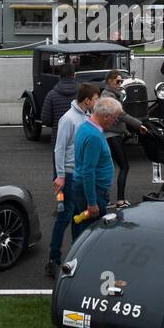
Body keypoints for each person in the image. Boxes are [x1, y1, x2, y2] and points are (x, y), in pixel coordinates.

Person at [47, 82, 100, 276]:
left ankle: (76, 257)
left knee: (80, 215)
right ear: (87, 100)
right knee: (64, 216)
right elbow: (59, 149)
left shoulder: (87, 117)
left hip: (78, 175)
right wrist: (60, 176)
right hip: (68, 176)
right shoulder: (68, 119)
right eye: (96, 98)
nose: (98, 101)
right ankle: (53, 259)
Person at [70, 95, 119, 234]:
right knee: (92, 234)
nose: (115, 121)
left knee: (81, 231)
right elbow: (88, 171)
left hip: (83, 188)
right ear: (106, 116)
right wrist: (92, 203)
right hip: (93, 191)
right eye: (114, 117)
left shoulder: (85, 127)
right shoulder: (94, 136)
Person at [101, 69, 146, 205]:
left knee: (108, 168)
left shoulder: (111, 94)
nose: (120, 84)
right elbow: (121, 115)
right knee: (123, 166)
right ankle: (120, 199)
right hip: (111, 135)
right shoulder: (109, 97)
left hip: (113, 133)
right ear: (109, 81)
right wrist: (140, 125)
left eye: (121, 81)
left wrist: (125, 131)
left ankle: (105, 199)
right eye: (118, 81)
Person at [39, 63, 80, 131]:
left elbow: (45, 120)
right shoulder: (82, 93)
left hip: (58, 134)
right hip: (78, 136)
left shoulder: (51, 95)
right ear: (74, 75)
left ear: (59, 76)